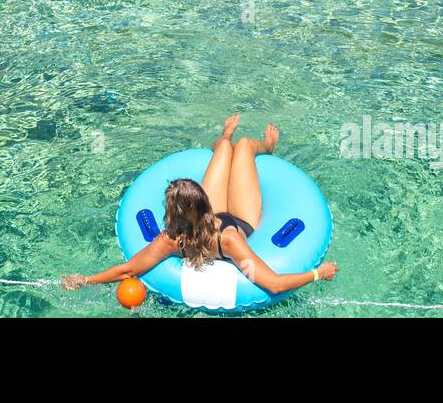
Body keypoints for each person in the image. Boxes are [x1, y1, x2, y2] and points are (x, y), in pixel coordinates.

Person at [61, 115, 337, 297]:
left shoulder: (170, 240)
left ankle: (245, 141)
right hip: (242, 219)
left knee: (229, 147)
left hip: (225, 219)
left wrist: (86, 279)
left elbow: (128, 269)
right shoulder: (227, 241)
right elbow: (274, 284)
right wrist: (317, 273)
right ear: (203, 202)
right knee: (241, 147)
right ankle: (252, 143)